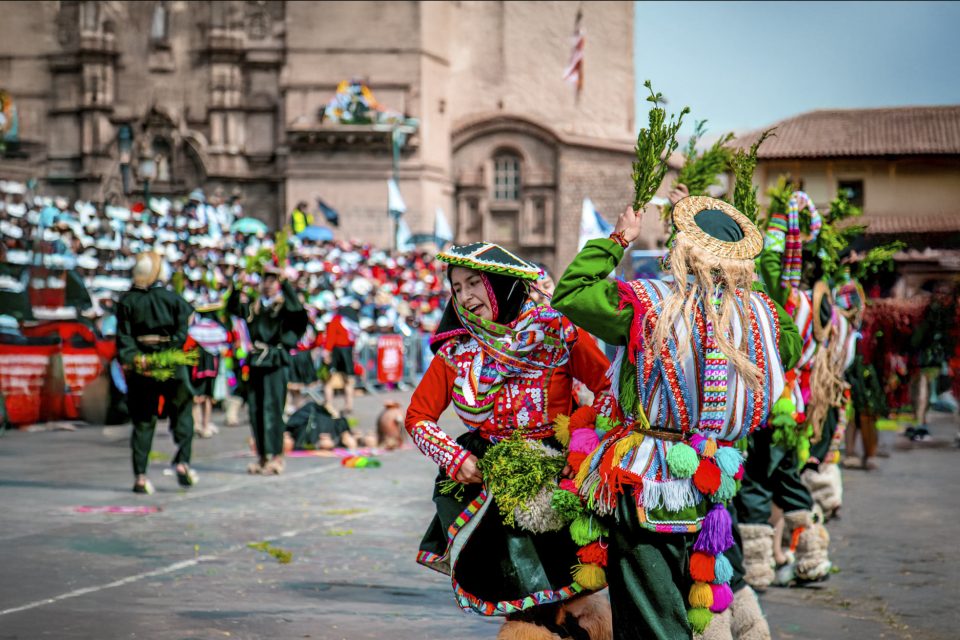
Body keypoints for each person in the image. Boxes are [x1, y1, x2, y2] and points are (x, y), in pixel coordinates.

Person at [552, 195, 801, 640]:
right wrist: (743, 279)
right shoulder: (759, 316)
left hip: (645, 476)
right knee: (691, 596)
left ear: (681, 251)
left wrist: (619, 239)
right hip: (708, 476)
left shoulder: (649, 303)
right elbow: (790, 343)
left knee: (649, 610)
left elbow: (571, 292)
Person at [406, 242, 615, 640]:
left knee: (572, 591)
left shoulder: (556, 332)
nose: (465, 295)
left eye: (473, 283)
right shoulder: (457, 351)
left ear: (500, 283)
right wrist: (454, 458)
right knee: (525, 595)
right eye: (456, 287)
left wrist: (583, 440)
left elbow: (608, 387)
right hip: (492, 485)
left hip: (561, 477)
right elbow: (417, 416)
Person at [116, 251, 197, 494]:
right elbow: (184, 328)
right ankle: (183, 462)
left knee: (143, 420)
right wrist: (167, 350)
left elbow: (123, 338)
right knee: (182, 410)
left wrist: (136, 357)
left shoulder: (127, 301)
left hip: (141, 365)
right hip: (171, 363)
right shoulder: (172, 299)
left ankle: (140, 476)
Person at [227, 261, 308, 475]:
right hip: (256, 361)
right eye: (266, 280)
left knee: (273, 410)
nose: (268, 284)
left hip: (275, 361)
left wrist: (286, 282)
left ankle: (276, 456)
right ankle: (262, 456)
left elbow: (298, 313)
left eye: (273, 280)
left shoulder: (283, 306)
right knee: (256, 410)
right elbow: (233, 309)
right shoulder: (255, 306)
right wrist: (238, 286)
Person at [322, 299, 360, 416]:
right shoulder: (353, 321)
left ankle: (329, 404)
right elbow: (354, 339)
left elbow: (331, 337)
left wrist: (327, 351)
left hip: (337, 351)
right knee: (348, 380)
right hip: (348, 351)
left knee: (329, 380)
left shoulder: (336, 320)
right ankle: (349, 405)